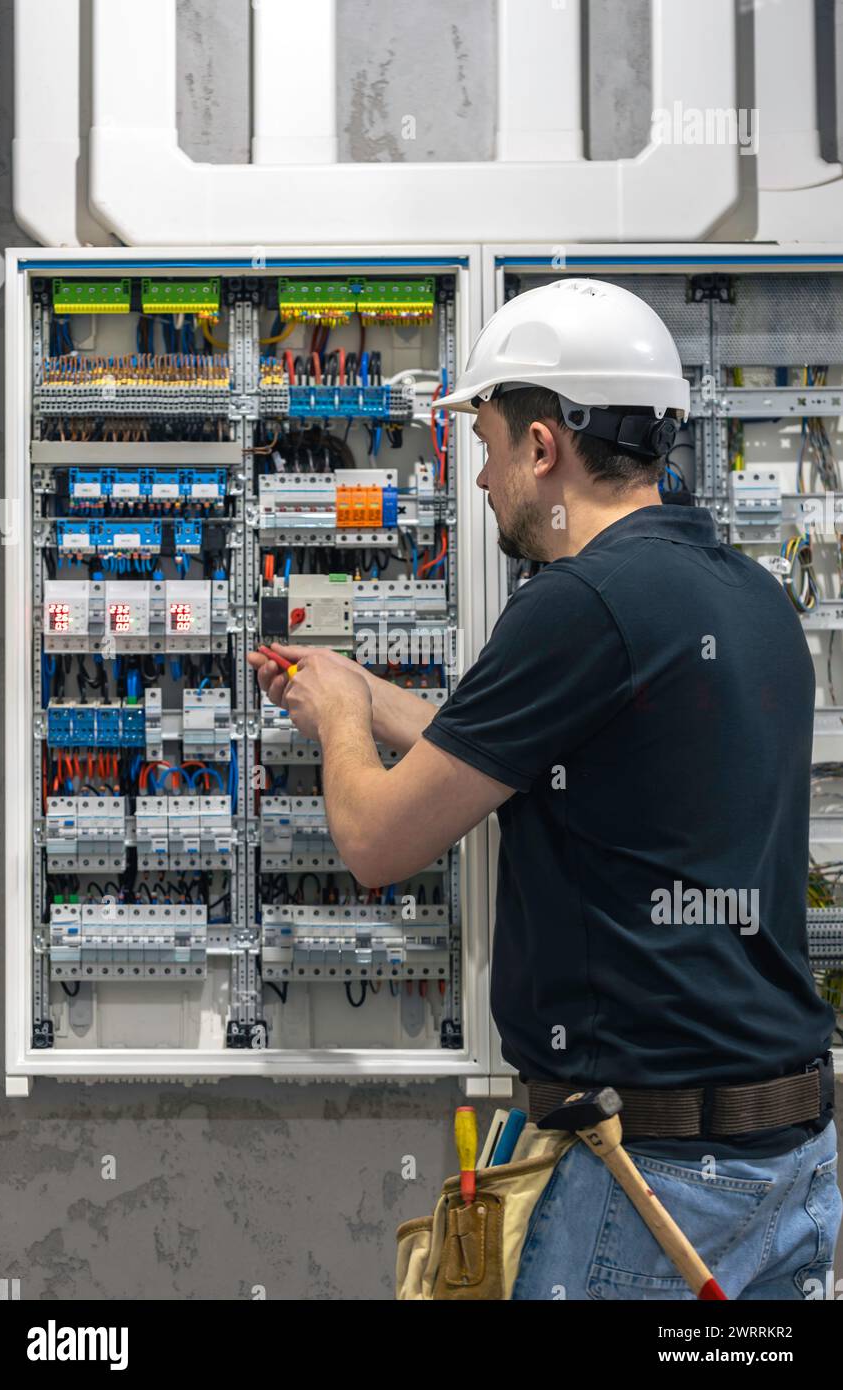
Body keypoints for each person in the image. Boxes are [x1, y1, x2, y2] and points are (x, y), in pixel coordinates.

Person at [248, 278, 840, 1300]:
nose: (476, 479)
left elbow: (378, 839)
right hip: (779, 1168)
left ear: (541, 446)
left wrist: (336, 725)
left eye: (483, 444)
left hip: (648, 1186)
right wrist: (359, 686)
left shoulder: (579, 603)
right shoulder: (742, 595)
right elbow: (538, 760)